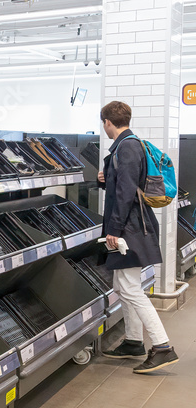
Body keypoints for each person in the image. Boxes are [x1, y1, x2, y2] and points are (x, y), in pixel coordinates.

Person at [97, 101, 178, 373]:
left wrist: (114, 230)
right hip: (130, 226)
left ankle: (163, 347)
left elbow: (126, 193)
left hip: (130, 228)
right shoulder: (126, 146)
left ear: (108, 122)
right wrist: (104, 178)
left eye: (104, 123)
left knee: (130, 288)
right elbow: (123, 184)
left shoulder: (128, 147)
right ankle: (133, 341)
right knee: (122, 286)